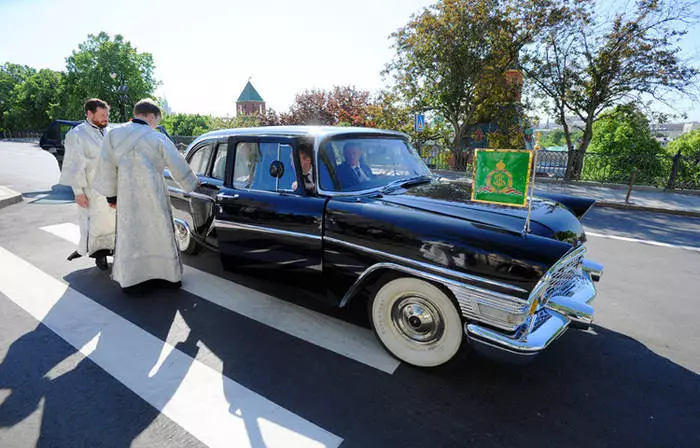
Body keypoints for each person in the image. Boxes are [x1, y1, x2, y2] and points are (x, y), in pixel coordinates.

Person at [94, 99, 199, 291]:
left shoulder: (113, 135)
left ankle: (132, 281)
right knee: (158, 232)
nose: (156, 124)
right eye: (157, 120)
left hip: (126, 196)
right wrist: (191, 184)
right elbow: (176, 162)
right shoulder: (156, 137)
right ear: (151, 116)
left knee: (131, 235)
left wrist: (111, 196)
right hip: (153, 194)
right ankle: (167, 276)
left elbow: (106, 165)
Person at [59, 98, 115, 270]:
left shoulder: (109, 131)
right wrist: (78, 192)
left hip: (111, 187)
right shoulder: (76, 135)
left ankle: (115, 251)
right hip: (92, 189)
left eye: (107, 115)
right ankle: (100, 256)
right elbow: (74, 165)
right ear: (89, 113)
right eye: (102, 115)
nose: (106, 118)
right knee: (95, 225)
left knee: (113, 222)